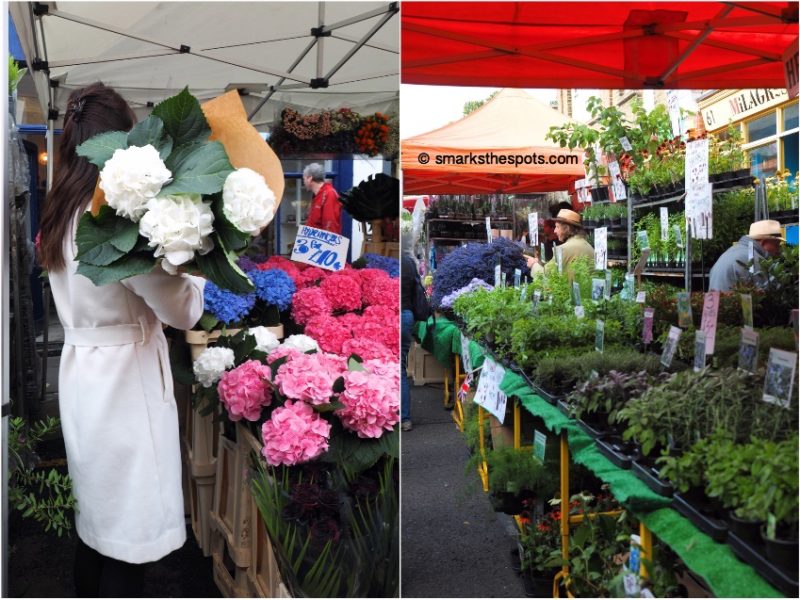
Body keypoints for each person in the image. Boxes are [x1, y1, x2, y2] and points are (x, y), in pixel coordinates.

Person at [38, 83, 206, 597]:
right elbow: (180, 309)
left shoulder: (60, 208)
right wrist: (195, 271)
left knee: (99, 513)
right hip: (125, 377)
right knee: (129, 531)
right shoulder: (111, 216)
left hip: (83, 369)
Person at [708, 219, 784, 292]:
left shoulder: (732, 251)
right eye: (776, 245)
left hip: (716, 303)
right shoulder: (755, 259)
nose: (778, 250)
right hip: (732, 304)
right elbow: (769, 292)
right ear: (764, 242)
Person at [528, 208, 594, 275]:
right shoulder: (586, 244)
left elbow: (546, 275)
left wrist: (533, 265)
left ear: (567, 228)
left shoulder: (565, 249)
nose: (555, 231)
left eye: (557, 227)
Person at [400, 230, 418, 432]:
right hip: (406, 316)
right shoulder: (408, 262)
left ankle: (401, 416)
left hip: (394, 315)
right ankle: (404, 419)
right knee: (400, 368)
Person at [303, 162, 342, 234]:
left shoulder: (329, 194)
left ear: (310, 178)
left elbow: (330, 226)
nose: (304, 182)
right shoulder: (317, 195)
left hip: (323, 244)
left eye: (304, 178)